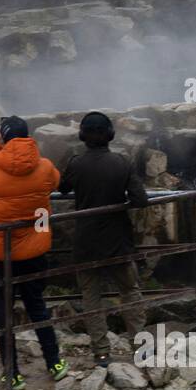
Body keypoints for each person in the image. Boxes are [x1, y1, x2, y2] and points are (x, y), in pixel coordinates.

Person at [0, 115, 68, 389]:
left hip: (0, 254)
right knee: (37, 306)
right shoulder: (46, 167)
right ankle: (54, 362)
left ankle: (12, 373)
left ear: (4, 137)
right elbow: (56, 183)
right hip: (34, 252)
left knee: (3, 313)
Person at [58, 112, 148, 367]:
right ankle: (140, 349)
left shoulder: (77, 163)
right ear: (110, 135)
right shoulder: (122, 162)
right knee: (130, 291)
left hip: (86, 243)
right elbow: (140, 200)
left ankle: (101, 353)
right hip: (118, 241)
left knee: (91, 296)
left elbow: (62, 188)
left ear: (82, 136)